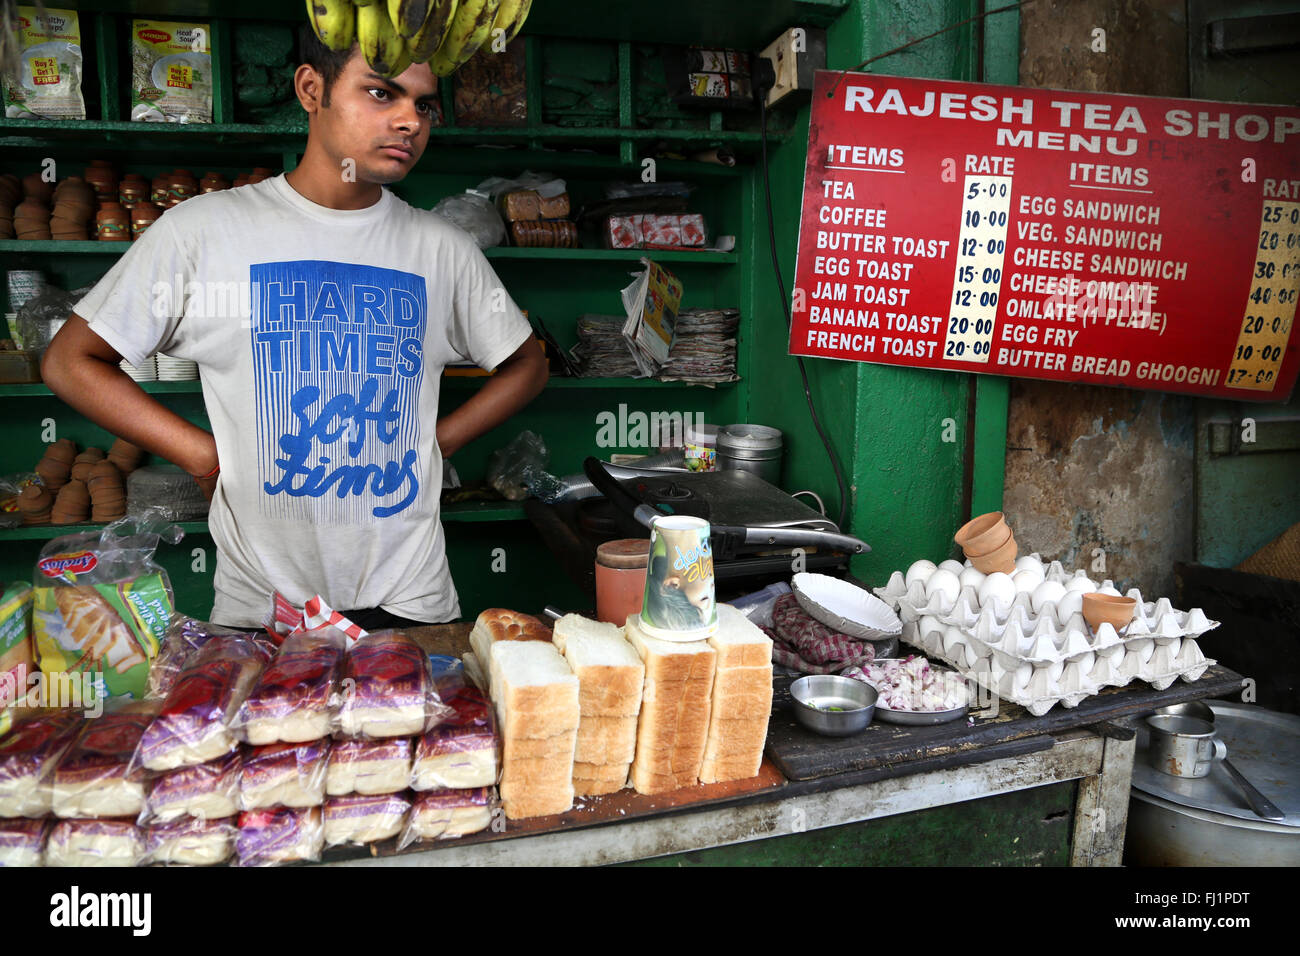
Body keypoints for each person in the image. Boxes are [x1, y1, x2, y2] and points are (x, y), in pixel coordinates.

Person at [41, 31, 549, 630]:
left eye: (423, 105)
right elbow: (70, 361)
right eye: (382, 93)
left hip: (411, 600)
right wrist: (204, 457)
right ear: (311, 89)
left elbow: (528, 363)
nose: (410, 120)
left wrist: (440, 441)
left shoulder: (442, 248)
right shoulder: (203, 232)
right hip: (264, 605)